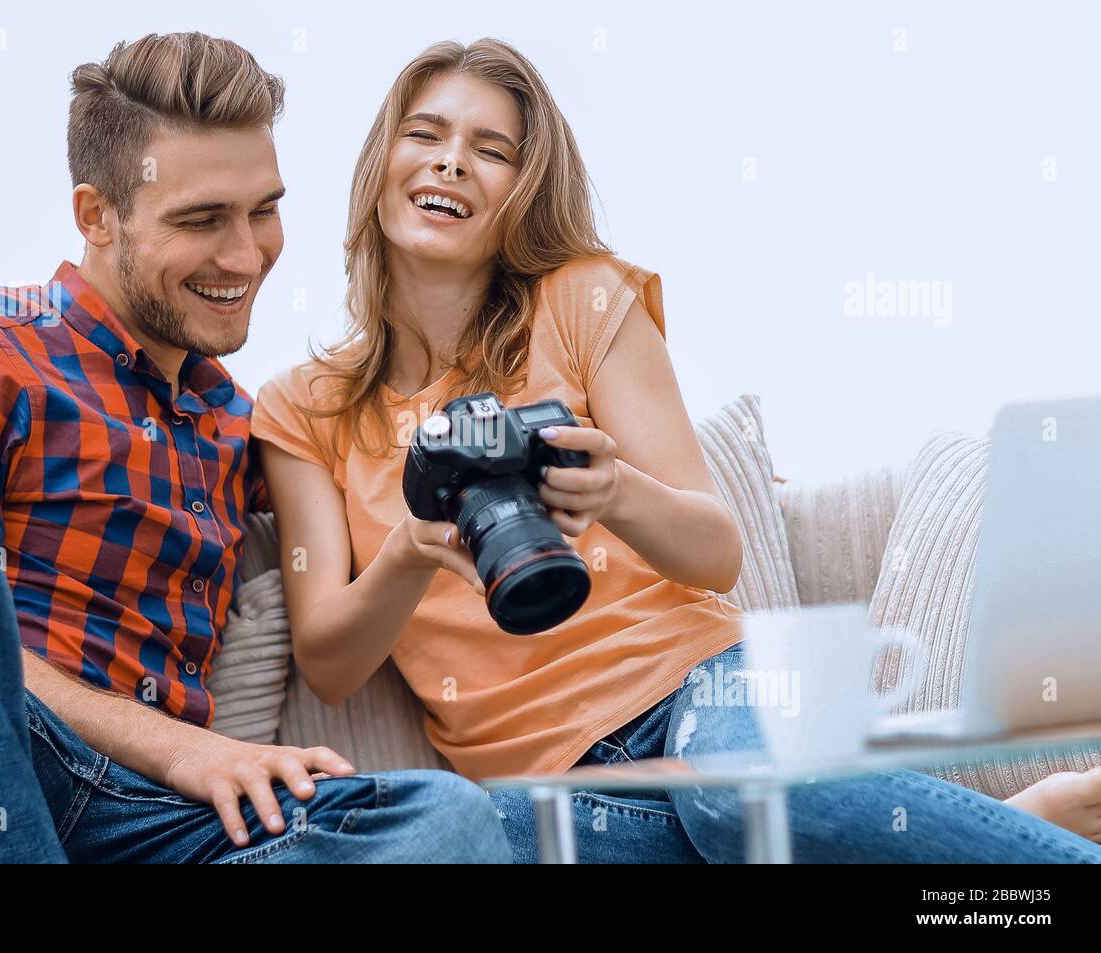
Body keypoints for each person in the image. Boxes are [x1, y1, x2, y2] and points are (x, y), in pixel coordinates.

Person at [250, 37, 1101, 863]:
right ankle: (968, 827)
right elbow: (329, 659)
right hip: (541, 784)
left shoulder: (581, 300)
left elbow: (717, 551)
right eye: (425, 133)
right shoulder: (303, 407)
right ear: (381, 164)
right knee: (473, 842)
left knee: (729, 796)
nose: (451, 161)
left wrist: (613, 490)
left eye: (491, 149)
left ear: (523, 191)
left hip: (704, 688)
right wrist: (409, 552)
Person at [0, 31, 511, 865]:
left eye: (264, 210)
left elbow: (394, 461)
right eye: (201, 220)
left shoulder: (249, 426)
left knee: (445, 824)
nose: (245, 256)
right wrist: (178, 745)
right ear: (97, 215)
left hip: (139, 822)